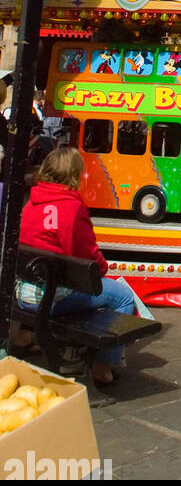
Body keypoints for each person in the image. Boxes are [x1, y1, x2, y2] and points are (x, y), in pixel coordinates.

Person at [18, 147, 139, 387]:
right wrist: (104, 270)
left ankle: (23, 337)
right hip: (52, 299)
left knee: (51, 272)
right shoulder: (72, 207)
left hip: (23, 296)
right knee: (123, 296)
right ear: (74, 174)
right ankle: (102, 368)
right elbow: (90, 257)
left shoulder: (31, 201)